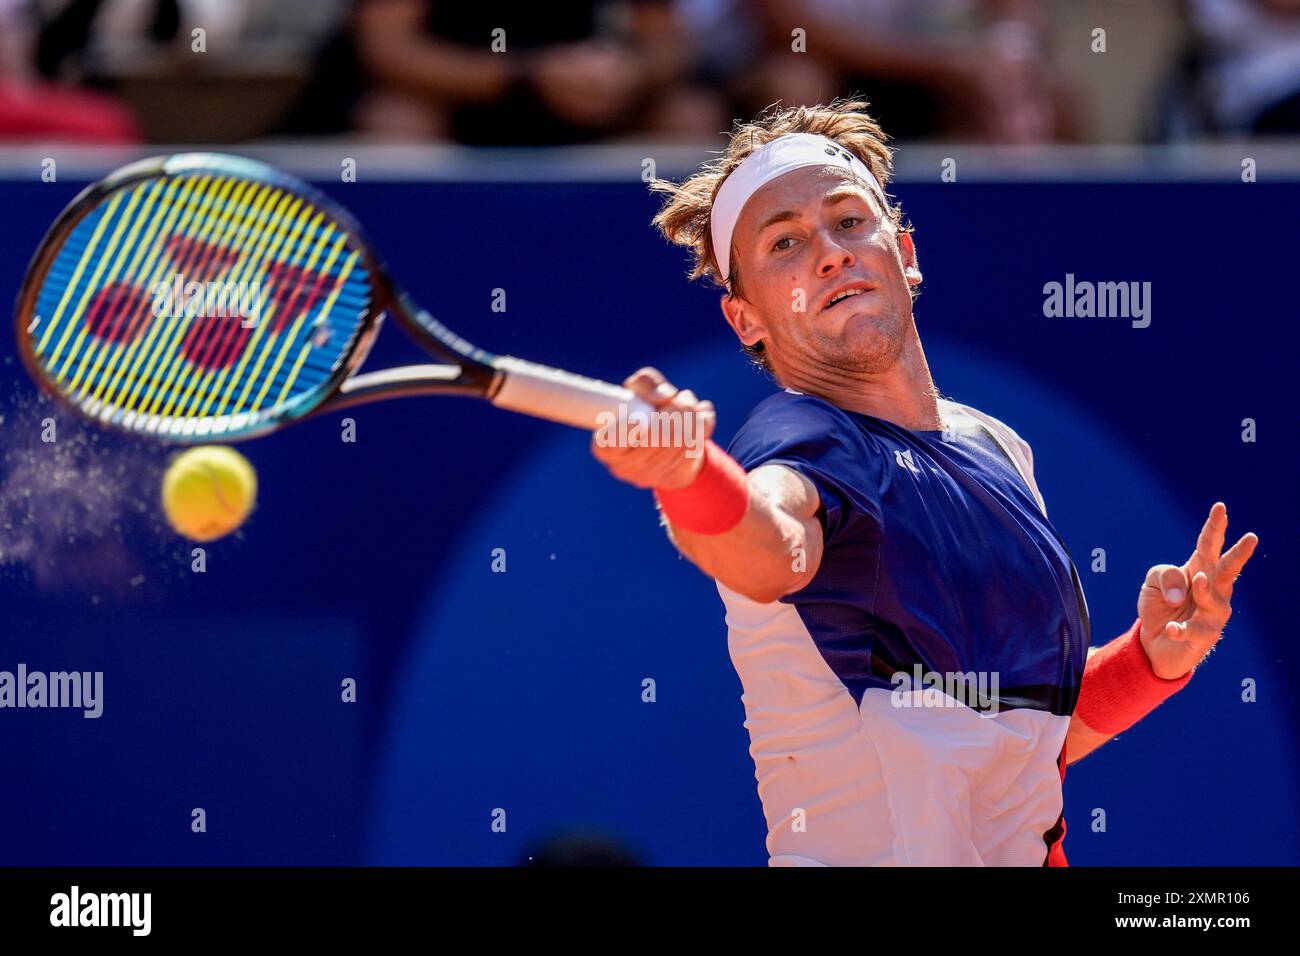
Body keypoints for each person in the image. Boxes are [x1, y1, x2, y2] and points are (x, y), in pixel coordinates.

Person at [592, 99, 1259, 866]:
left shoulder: (997, 447)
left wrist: (1151, 659)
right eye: (785, 243)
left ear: (903, 252)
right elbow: (764, 552)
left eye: (849, 222)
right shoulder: (799, 438)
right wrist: (689, 477)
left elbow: (1022, 744)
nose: (830, 254)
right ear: (747, 321)